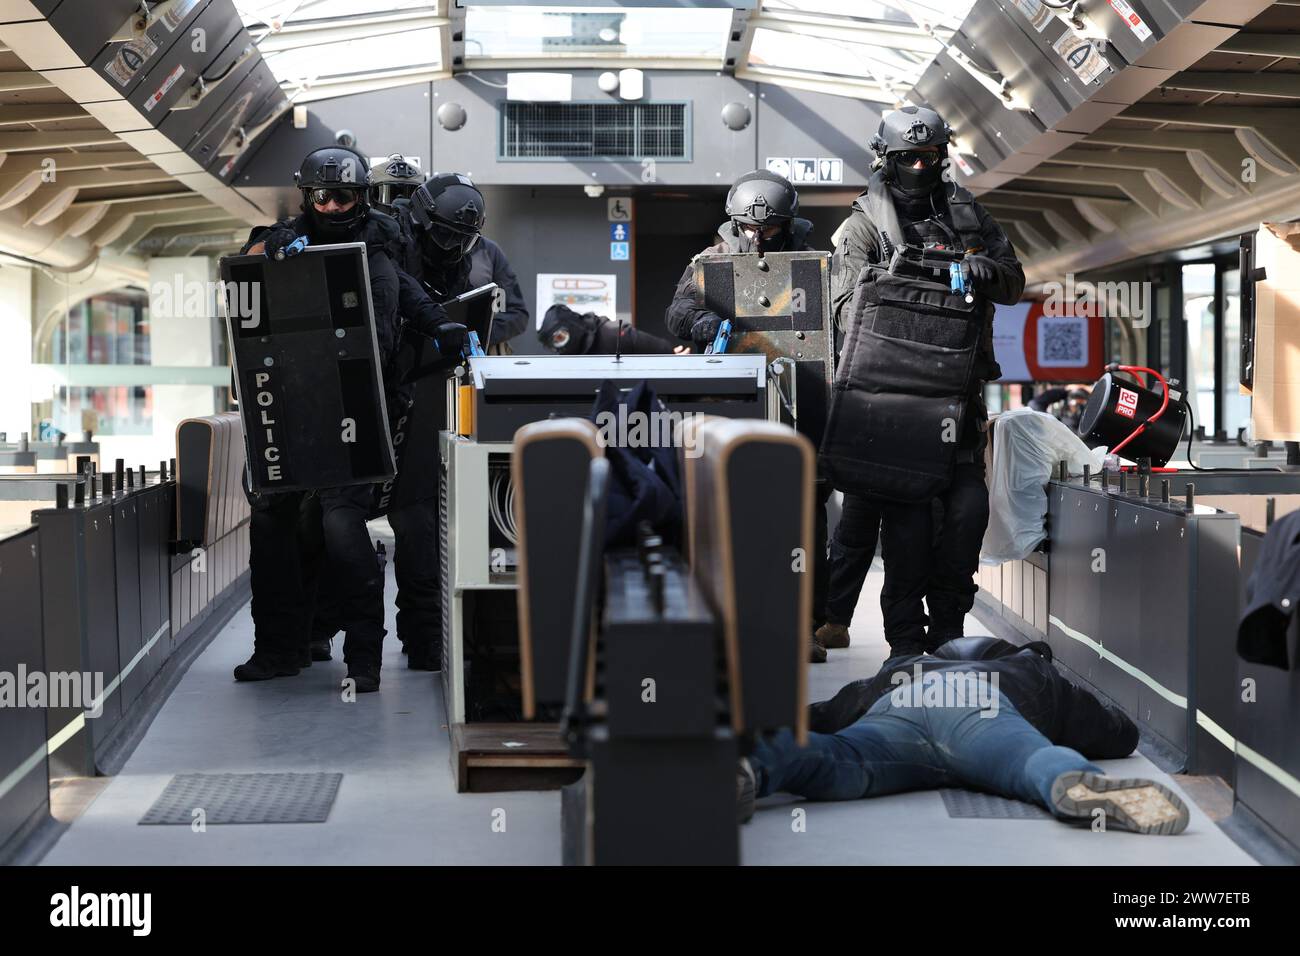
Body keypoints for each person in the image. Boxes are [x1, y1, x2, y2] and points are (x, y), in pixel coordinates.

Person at [234, 146, 465, 693]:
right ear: (307, 197)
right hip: (288, 409)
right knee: (274, 527)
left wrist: (440, 324)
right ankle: (278, 649)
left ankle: (364, 658)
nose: (334, 207)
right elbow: (244, 274)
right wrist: (267, 250)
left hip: (361, 403)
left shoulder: (384, 240)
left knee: (342, 525)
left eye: (346, 197)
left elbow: (405, 292)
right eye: (323, 197)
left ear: (363, 198)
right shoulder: (284, 240)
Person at [824, 106, 1025, 657]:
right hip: (891, 403)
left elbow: (1013, 282)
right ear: (885, 160)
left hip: (959, 399)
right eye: (908, 157)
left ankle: (949, 636)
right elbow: (845, 311)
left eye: (929, 156)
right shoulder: (862, 227)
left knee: (966, 516)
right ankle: (907, 648)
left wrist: (989, 270)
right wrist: (915, 276)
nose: (919, 165)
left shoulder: (967, 215)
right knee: (906, 533)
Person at [737, 636, 1190, 835]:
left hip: (903, 705)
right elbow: (1120, 734)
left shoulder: (903, 665)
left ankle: (755, 766)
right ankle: (1076, 782)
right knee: (1027, 760)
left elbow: (827, 712)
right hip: (978, 707)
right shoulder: (1034, 672)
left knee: (840, 760)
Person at [664, 171, 837, 663]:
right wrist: (702, 321)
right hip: (736, 409)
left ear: (788, 224)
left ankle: (805, 623)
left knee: (806, 522)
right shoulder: (711, 260)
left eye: (769, 229)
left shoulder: (814, 262)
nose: (758, 237)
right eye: (748, 228)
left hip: (806, 405)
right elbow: (676, 312)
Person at [538, 303, 685, 355]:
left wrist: (670, 355)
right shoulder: (567, 360)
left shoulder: (611, 334)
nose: (560, 345)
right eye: (554, 344)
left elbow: (649, 344)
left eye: (560, 337)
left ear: (570, 326)